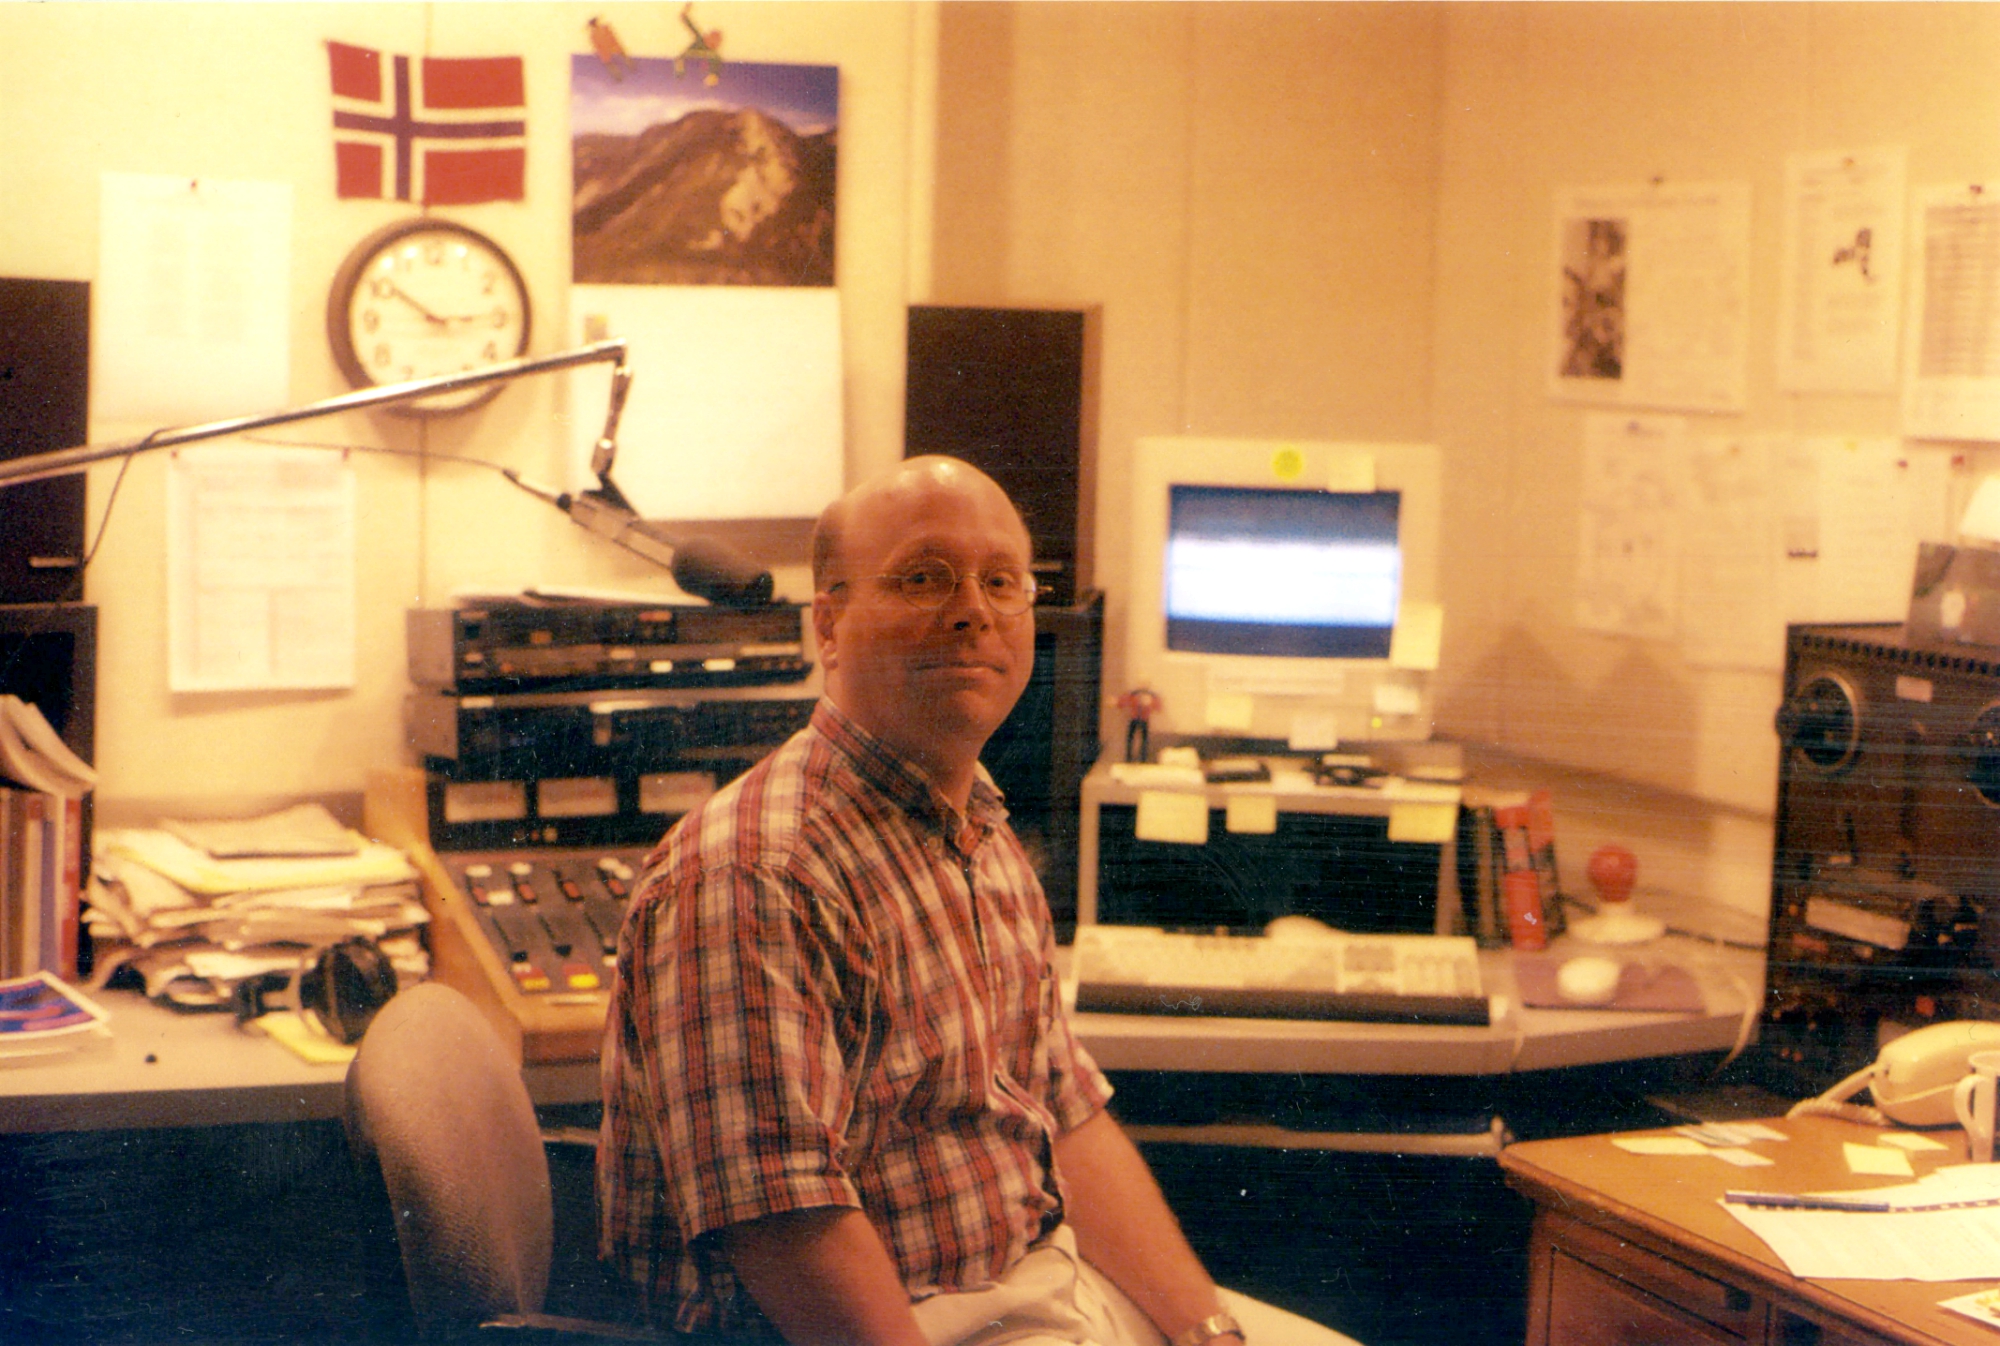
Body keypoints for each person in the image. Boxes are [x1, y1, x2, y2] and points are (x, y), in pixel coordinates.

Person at [598, 456, 1262, 1346]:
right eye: (924, 578)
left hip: (1042, 1288)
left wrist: (1211, 1334)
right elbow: (787, 1224)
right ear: (827, 624)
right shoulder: (753, 873)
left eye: (1001, 582)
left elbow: (1064, 1115)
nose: (973, 611)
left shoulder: (978, 827)